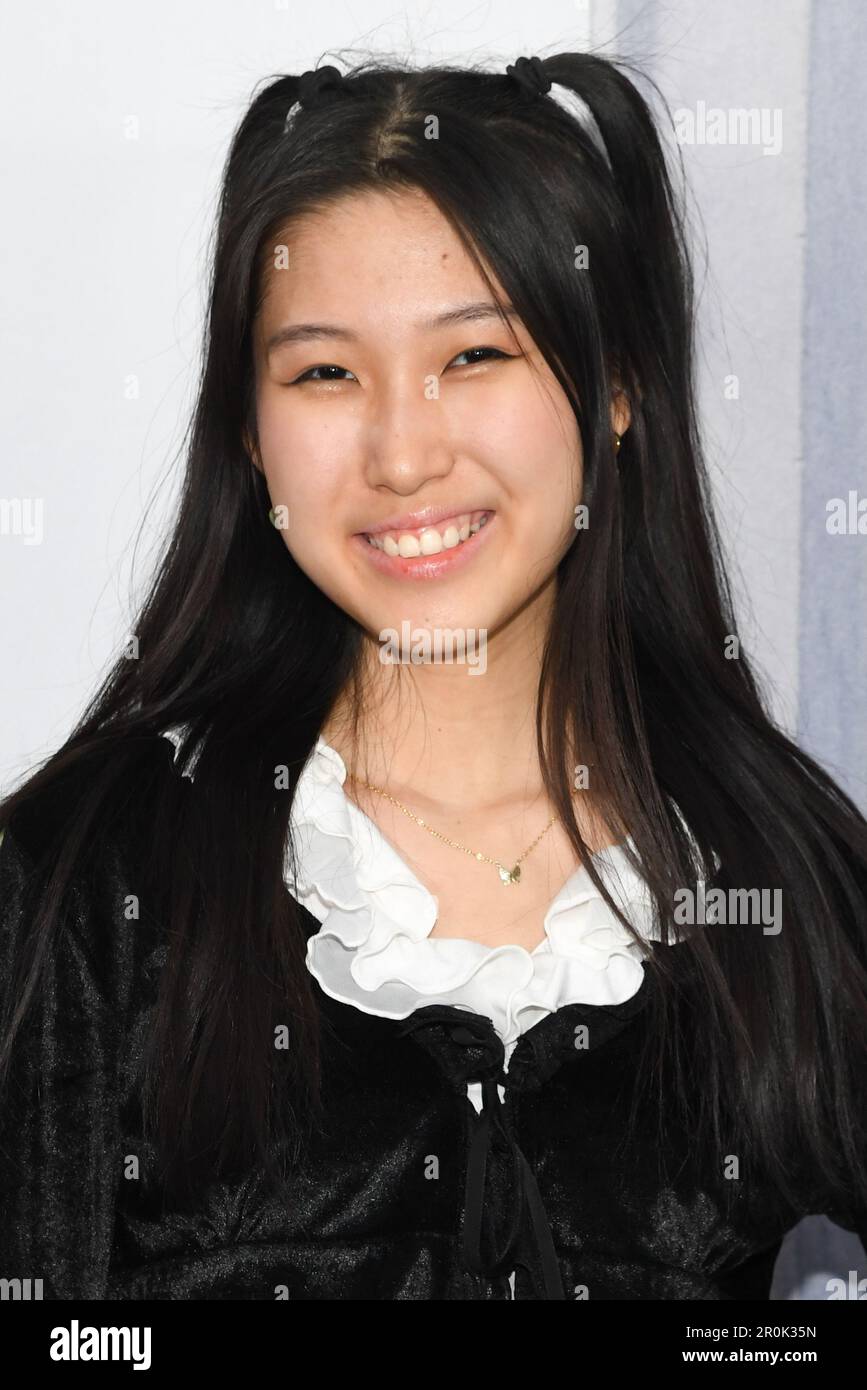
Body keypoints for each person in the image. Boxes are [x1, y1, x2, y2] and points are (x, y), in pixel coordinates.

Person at [1, 49, 866, 1302]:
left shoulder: (779, 886)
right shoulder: (87, 883)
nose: (403, 454)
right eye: (324, 373)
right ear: (249, 435)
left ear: (619, 382)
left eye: (475, 357)